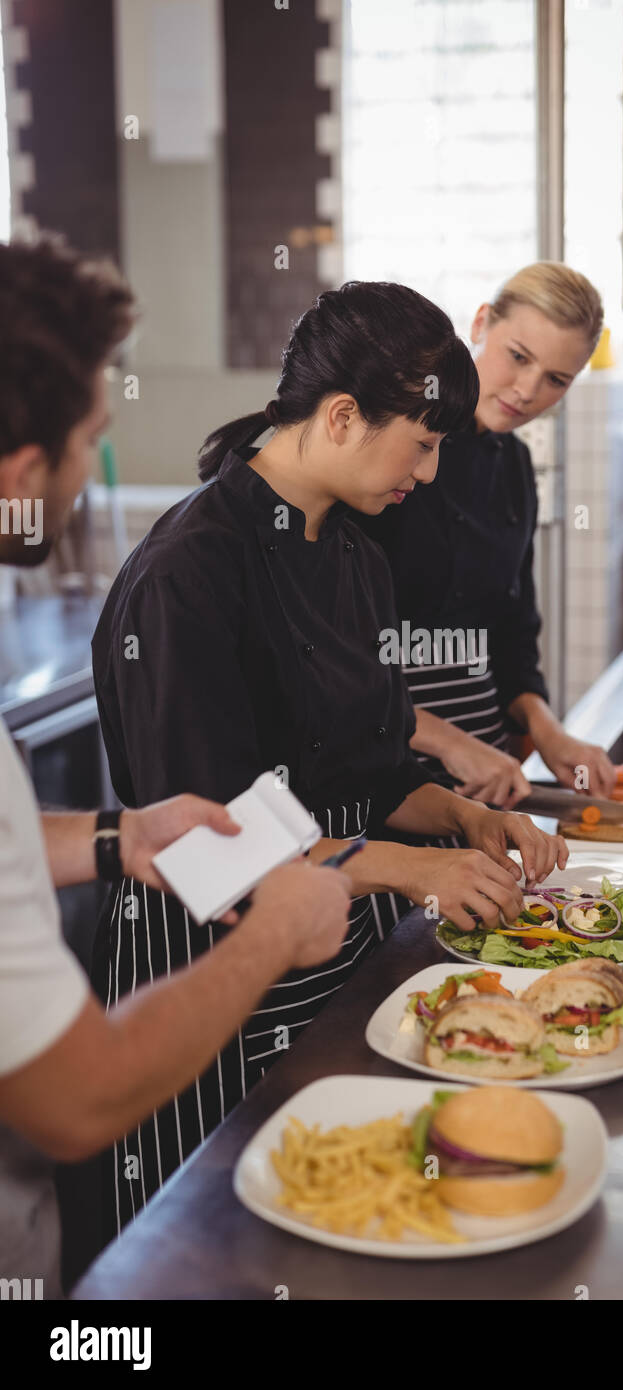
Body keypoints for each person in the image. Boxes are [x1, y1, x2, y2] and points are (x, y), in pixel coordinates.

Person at [91, 279, 568, 1230]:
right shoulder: (188, 574)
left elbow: (376, 768)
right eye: (424, 444)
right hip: (205, 979)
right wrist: (411, 870)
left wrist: (464, 815)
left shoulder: (354, 555)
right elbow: (210, 845)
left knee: (339, 1222)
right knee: (211, 1248)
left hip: (331, 961)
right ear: (343, 416)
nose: (429, 476)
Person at [0, 234, 352, 1298]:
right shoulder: (185, 569)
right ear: (24, 471)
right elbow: (80, 1096)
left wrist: (117, 836)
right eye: (89, 440)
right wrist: (274, 938)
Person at [357, 262, 616, 810]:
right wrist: (450, 744)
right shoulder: (385, 451)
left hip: (490, 784)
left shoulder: (517, 466)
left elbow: (513, 636)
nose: (527, 390)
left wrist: (548, 733)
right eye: (518, 357)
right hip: (386, 781)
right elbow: (334, 659)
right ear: (479, 324)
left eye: (556, 379)